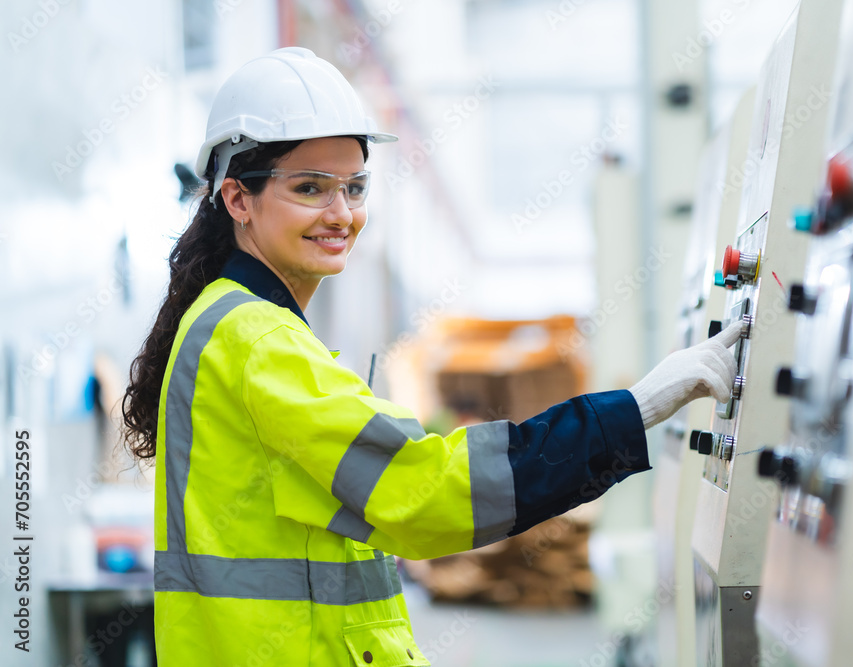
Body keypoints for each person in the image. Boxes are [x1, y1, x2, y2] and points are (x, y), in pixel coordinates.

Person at [121, 47, 741, 666]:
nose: (341, 214)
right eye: (310, 188)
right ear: (238, 200)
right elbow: (426, 493)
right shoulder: (258, 340)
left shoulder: (224, 322)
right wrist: (633, 410)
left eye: (354, 187)